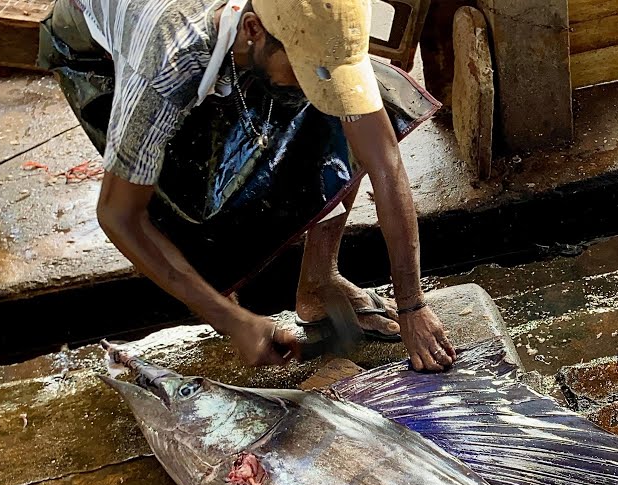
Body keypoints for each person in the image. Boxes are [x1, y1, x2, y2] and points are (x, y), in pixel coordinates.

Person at [36, 0, 457, 371]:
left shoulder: (312, 24)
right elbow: (119, 216)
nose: (312, 83)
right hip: (96, 48)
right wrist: (231, 320)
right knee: (189, 196)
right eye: (303, 70)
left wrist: (412, 305)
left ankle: (319, 281)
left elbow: (384, 162)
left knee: (323, 115)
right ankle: (225, 300)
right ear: (253, 28)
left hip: (222, 41)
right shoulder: (167, 67)